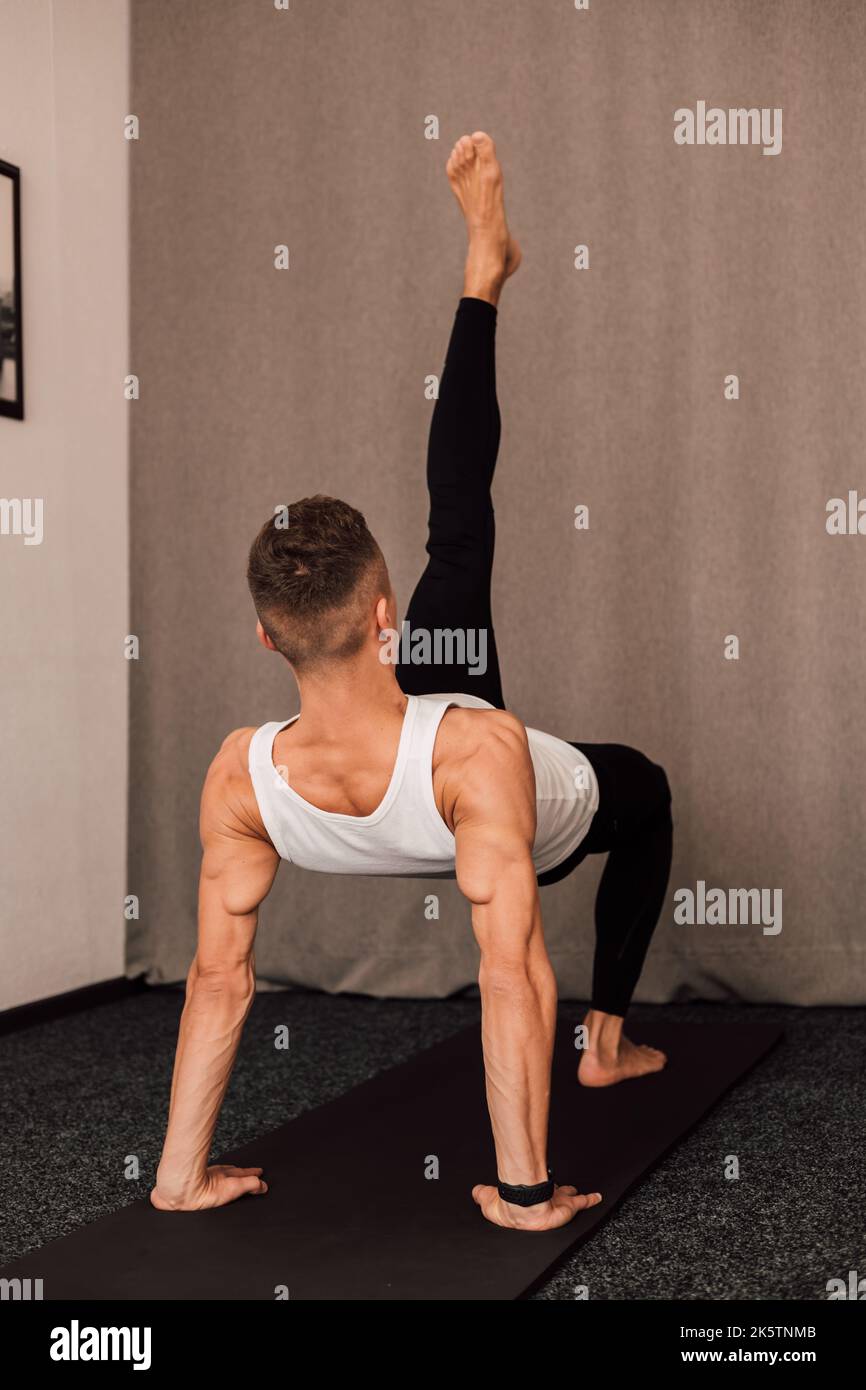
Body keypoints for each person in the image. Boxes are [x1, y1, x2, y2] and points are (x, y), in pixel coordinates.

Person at [151, 132, 673, 1232]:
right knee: (641, 781)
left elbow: (216, 980)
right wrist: (522, 1192)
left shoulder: (239, 779)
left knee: (462, 540)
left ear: (262, 636)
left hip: (480, 778)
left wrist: (177, 1178)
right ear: (385, 622)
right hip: (485, 792)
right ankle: (610, 1042)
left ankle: (484, 266)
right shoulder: (475, 744)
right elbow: (510, 969)